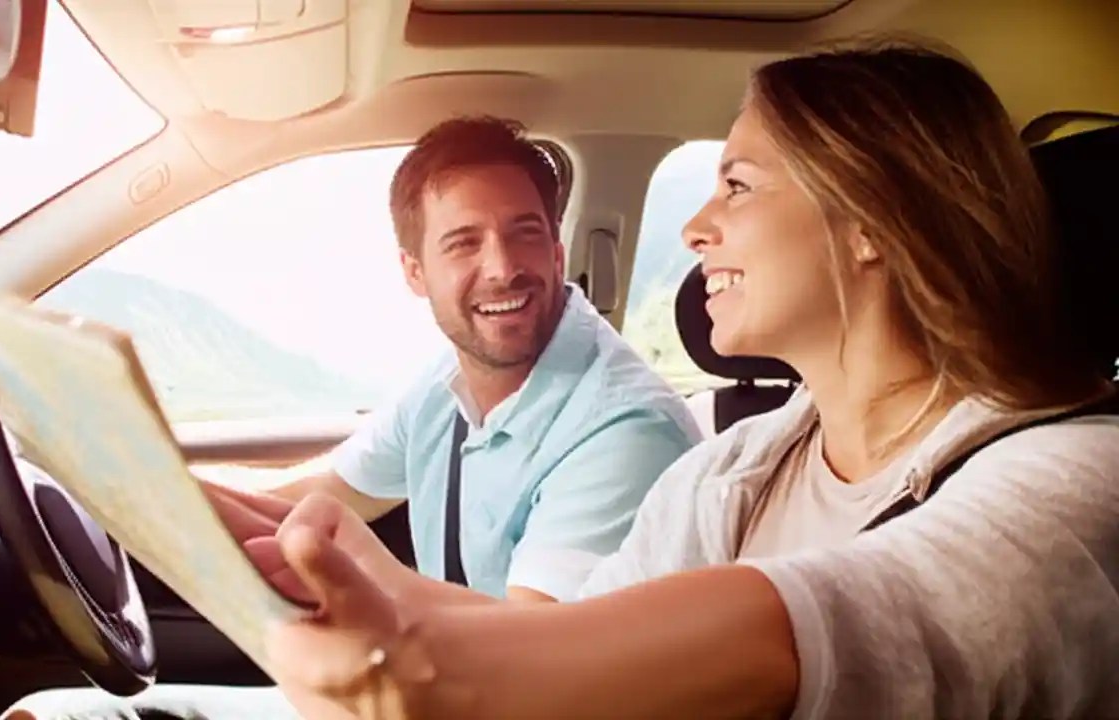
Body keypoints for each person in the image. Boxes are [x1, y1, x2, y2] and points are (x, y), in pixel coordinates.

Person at [212, 38, 1119, 719]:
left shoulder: (1078, 480)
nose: (695, 229)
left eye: (738, 186)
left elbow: (869, 618)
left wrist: (419, 659)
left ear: (873, 220)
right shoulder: (737, 472)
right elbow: (558, 644)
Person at [3, 117, 701, 718]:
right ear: (414, 272)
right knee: (50, 714)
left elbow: (529, 663)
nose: (503, 268)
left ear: (555, 251)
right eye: (463, 242)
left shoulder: (624, 432)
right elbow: (316, 502)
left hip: (491, 702)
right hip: (427, 695)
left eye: (525, 235)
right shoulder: (449, 383)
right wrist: (116, 473)